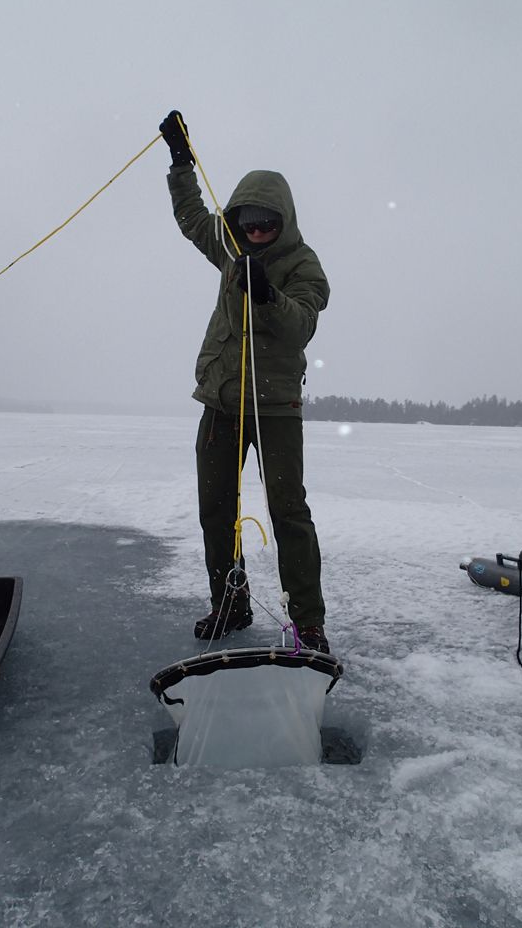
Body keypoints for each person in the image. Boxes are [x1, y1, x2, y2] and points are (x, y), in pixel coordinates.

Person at [159, 110, 331, 654]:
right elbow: (192, 216)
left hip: (275, 408)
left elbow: (301, 324)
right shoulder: (230, 248)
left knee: (289, 514)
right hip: (221, 403)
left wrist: (268, 295)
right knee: (216, 511)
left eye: (266, 225)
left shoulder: (304, 265)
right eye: (248, 225)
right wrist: (181, 161)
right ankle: (230, 603)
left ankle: (308, 623)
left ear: (284, 221)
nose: (256, 234)